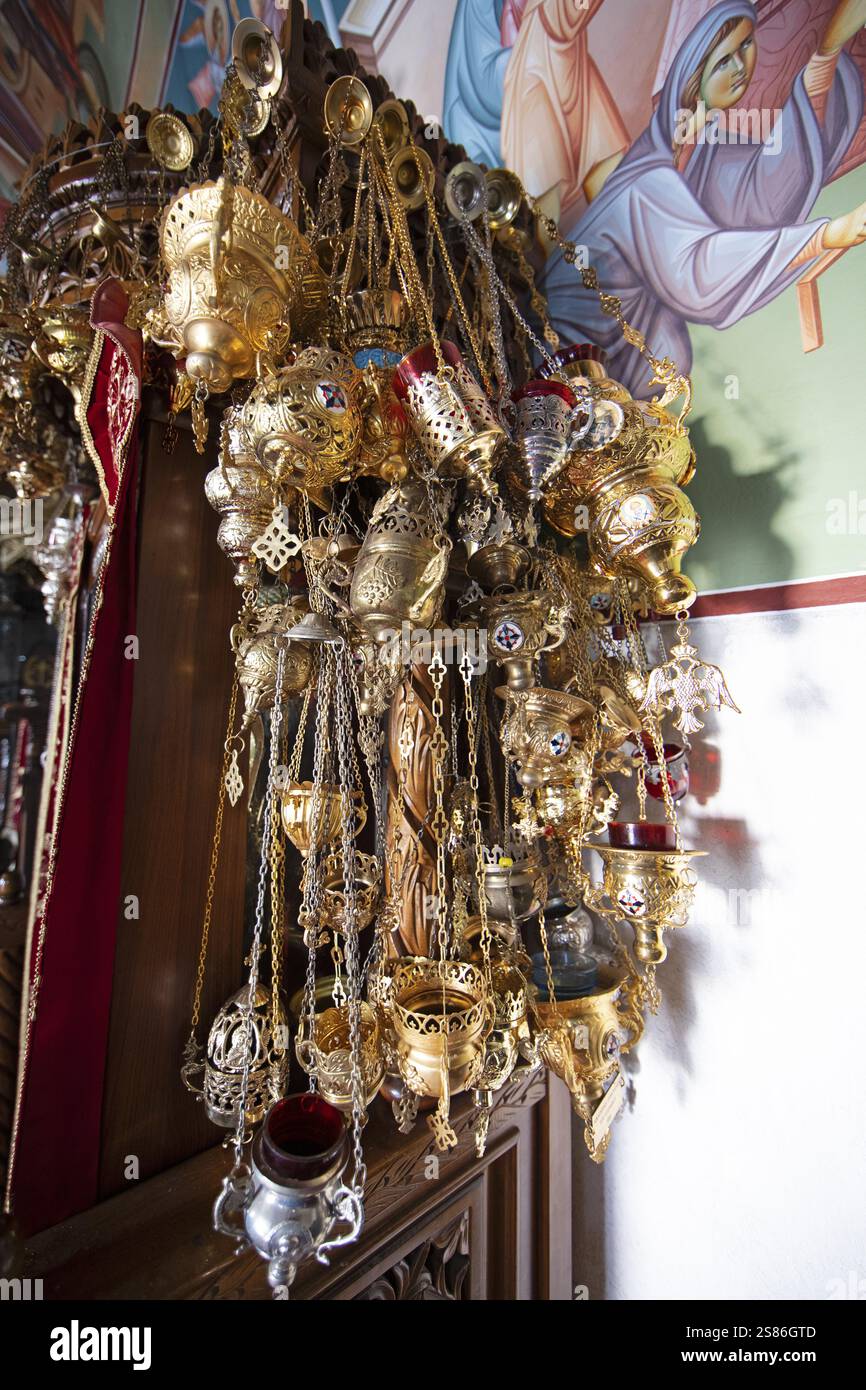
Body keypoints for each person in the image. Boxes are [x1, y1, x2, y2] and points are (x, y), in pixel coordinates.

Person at [540, 0, 866, 397]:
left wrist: (825, 58)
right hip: (564, 347)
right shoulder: (647, 179)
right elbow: (698, 269)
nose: (741, 67)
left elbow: (768, 189)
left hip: (612, 359)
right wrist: (825, 235)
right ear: (693, 75)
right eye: (724, 59)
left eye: (746, 46)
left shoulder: (701, 152)